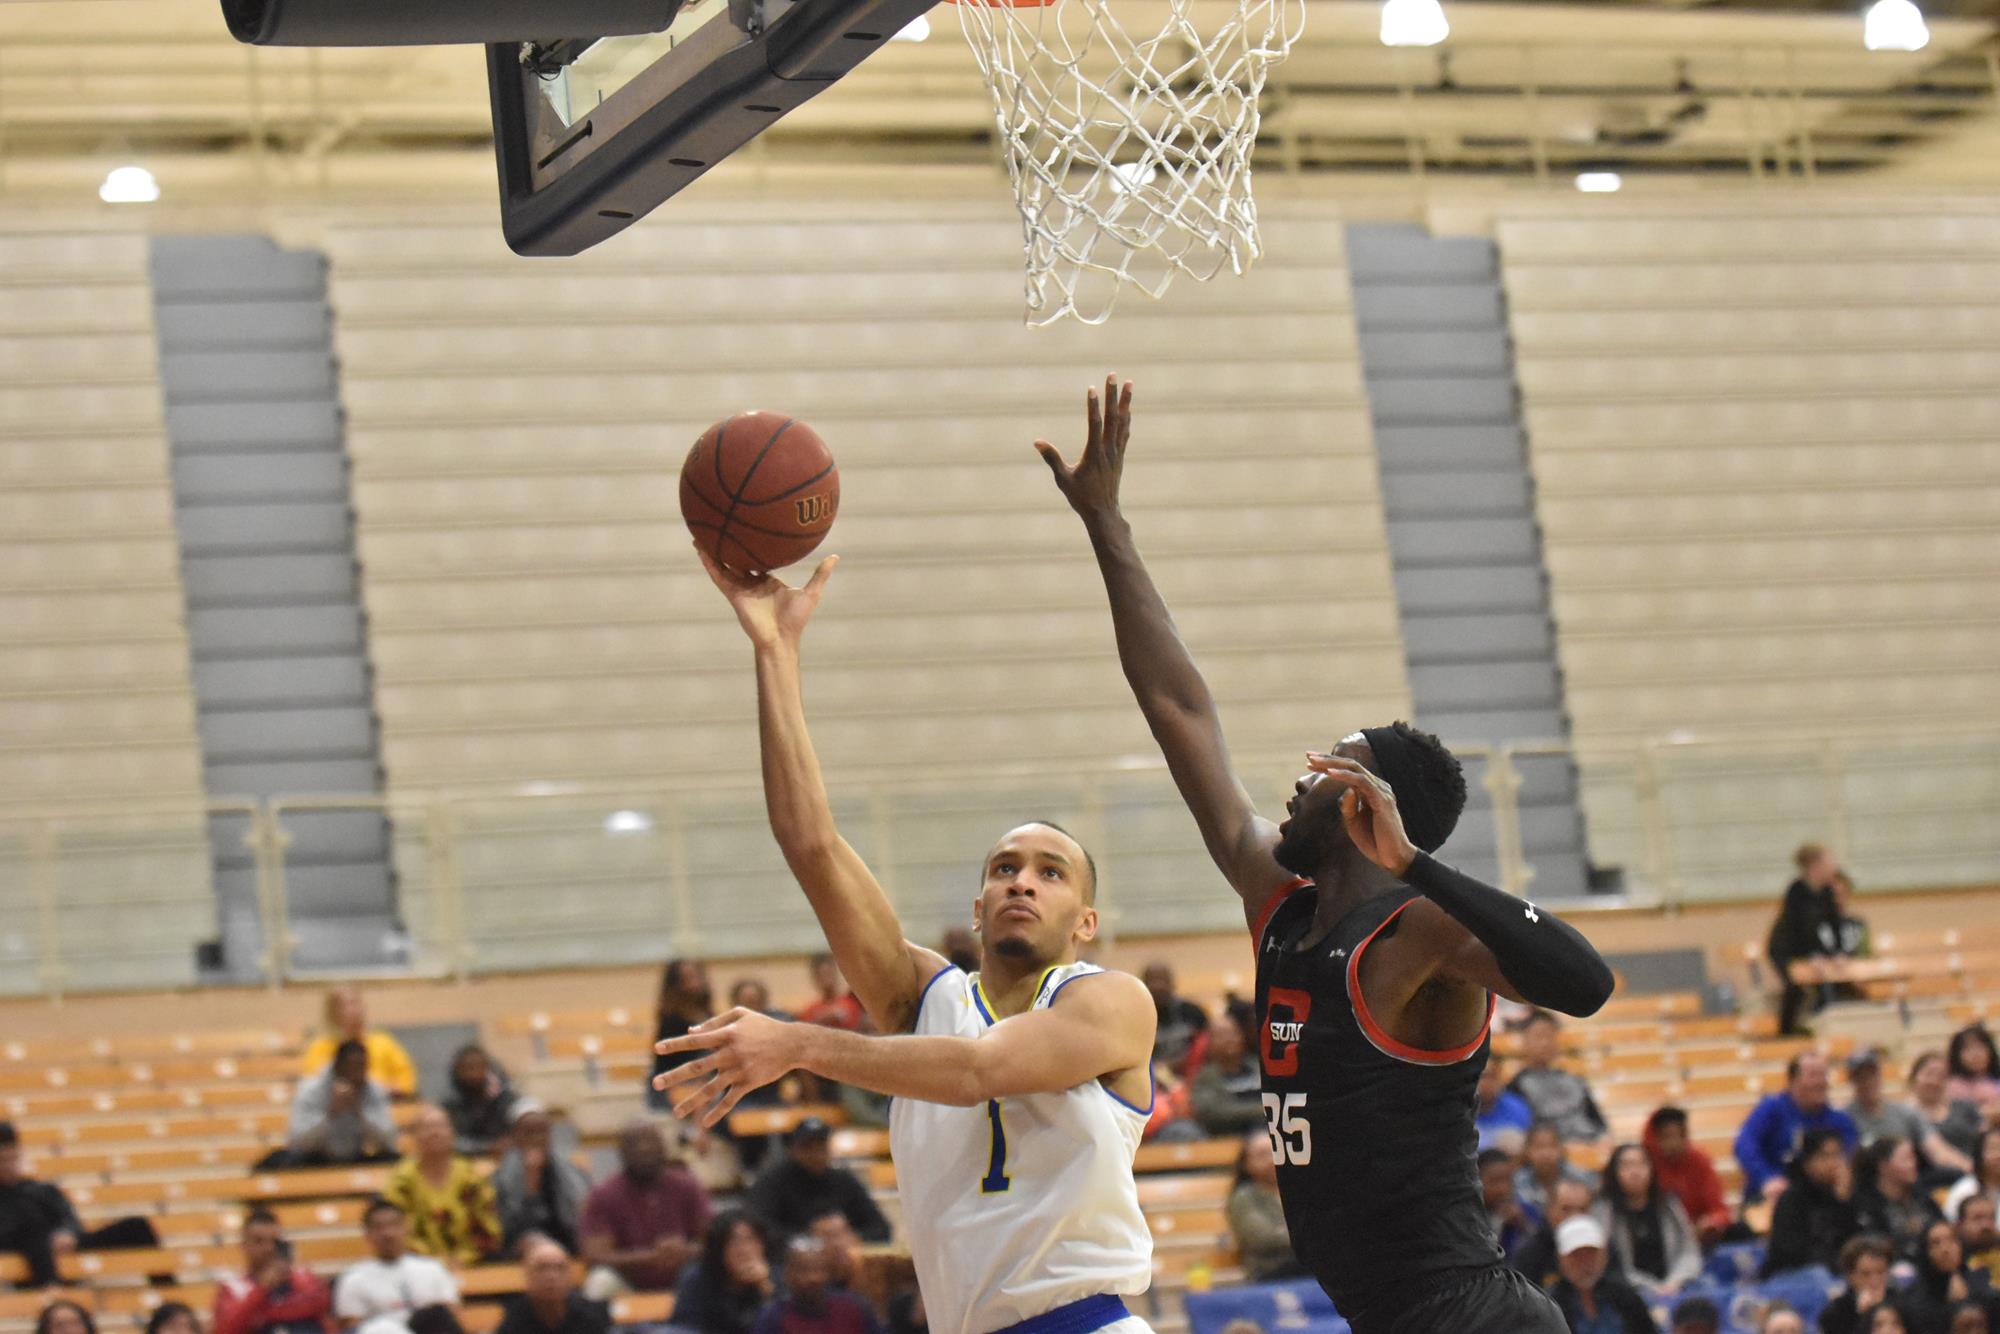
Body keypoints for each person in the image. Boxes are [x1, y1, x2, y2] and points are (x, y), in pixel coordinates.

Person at [1040, 376, 1615, 1334]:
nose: (1300, 778)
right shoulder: (1280, 900)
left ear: (1362, 803)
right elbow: (1179, 709)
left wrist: (1418, 864)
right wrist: (1105, 522)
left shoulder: (1420, 930)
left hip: (1472, 1315)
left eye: (1328, 766)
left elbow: (1588, 985)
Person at [652, 531, 1162, 1334]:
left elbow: (979, 1070)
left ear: (1086, 923)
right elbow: (811, 845)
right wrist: (775, 652)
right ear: (977, 908)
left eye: (1051, 872)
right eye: (1004, 867)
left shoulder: (1111, 1002)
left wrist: (798, 1044)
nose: (1022, 881)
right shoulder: (924, 998)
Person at [0, 1120, 160, 1287]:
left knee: (138, 1226)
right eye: (3, 1160)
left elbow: (70, 1219)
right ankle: (52, 1290)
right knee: (33, 1231)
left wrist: (67, 1235)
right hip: (28, 1258)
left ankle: (167, 1293)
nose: (9, 1166)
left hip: (66, 1245)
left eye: (13, 1158)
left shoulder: (41, 1190)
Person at [577, 1121, 712, 1296]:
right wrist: (653, 1256)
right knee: (601, 1281)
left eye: (651, 1141)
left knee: (711, 1272)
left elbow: (714, 1242)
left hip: (685, 1278)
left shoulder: (687, 1186)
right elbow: (595, 1256)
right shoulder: (603, 1194)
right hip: (628, 1283)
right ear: (621, 1152)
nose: (644, 1148)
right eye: (635, 1143)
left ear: (663, 1148)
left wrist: (682, 1251)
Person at [1735, 1052, 1860, 1202]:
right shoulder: (1771, 1109)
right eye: (1813, 1075)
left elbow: (1850, 1156)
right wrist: (1767, 1178)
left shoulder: (1840, 1121)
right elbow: (1745, 1144)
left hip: (1823, 1199)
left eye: (1823, 1075)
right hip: (1774, 1196)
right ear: (1792, 1081)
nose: (1820, 1082)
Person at [384, 1105, 501, 1265]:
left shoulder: (471, 1177)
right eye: (426, 1128)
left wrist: (464, 1258)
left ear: (452, 1133)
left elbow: (488, 1228)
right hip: (416, 1265)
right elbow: (396, 1230)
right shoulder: (401, 1180)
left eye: (440, 1126)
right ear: (415, 1136)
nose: (434, 1133)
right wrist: (434, 1263)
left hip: (471, 1264)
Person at [744, 1119, 889, 1246]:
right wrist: (808, 1237)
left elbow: (881, 1228)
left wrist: (851, 1237)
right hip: (791, 1261)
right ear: (793, 1149)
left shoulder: (843, 1180)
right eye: (808, 1147)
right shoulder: (772, 1182)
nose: (817, 1154)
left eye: (821, 1146)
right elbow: (759, 1230)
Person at [333, 1199, 460, 1334]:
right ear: (367, 1234)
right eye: (379, 1227)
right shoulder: (353, 1279)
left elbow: (451, 1316)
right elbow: (352, 1327)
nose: (388, 1234)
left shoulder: (432, 1269)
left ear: (407, 1228)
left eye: (394, 1225)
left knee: (437, 1314)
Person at [1592, 1144, 1700, 1296]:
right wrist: (1652, 1288)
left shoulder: (1668, 1205)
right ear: (1614, 1172)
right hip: (1629, 1291)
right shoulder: (1605, 1211)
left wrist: (1675, 1281)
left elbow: (1689, 1250)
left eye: (1641, 1164)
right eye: (1627, 1165)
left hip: (1676, 1286)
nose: (1635, 1172)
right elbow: (1609, 1265)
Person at [213, 1207, 335, 1334]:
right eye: (258, 1241)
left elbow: (320, 1303)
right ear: (243, 1245)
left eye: (274, 1241)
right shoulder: (234, 1288)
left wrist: (261, 1314)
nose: (269, 1248)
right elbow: (226, 1329)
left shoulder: (302, 1278)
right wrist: (261, 1289)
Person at [494, 1100, 593, 1257]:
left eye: (542, 1131)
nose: (537, 1138)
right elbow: (506, 1227)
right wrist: (530, 1181)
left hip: (565, 1238)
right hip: (518, 1242)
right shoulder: (500, 1177)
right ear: (515, 1136)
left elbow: (579, 1217)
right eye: (529, 1132)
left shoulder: (571, 1170)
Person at [1761, 1128, 1862, 1277]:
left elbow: (1857, 1242)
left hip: (1838, 1272)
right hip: (1794, 1276)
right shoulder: (1792, 1200)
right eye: (1825, 1156)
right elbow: (1791, 1252)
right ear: (1807, 1162)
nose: (1833, 1163)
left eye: (1837, 1155)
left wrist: (1843, 1202)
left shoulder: (1848, 1196)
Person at [285, 1040, 399, 1167]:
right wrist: (331, 1113)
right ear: (338, 1067)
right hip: (315, 1159)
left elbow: (389, 1141)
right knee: (286, 1161)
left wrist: (360, 1114)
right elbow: (297, 1142)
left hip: (357, 1157)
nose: (358, 1075)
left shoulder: (373, 1090)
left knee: (396, 1160)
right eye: (353, 1068)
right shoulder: (310, 1091)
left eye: (362, 1068)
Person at [1767, 844, 1838, 1035]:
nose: (1833, 866)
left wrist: (1837, 953)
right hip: (1785, 948)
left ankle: (1819, 1027)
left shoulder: (1827, 891)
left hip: (1811, 950)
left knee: (1826, 984)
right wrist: (1811, 956)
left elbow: (1833, 926)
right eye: (1828, 862)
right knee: (1795, 986)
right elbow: (1796, 929)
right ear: (1815, 866)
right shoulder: (1796, 891)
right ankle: (1786, 1031)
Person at [1511, 1012, 1610, 1144]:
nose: (1545, 1043)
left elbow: (1600, 1124)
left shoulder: (1575, 1080)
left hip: (1588, 1143)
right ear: (1524, 1041)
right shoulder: (1515, 1087)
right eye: (1539, 1036)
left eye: (1550, 1036)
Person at [1547, 1216, 1658, 1334]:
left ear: (1604, 1255)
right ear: (1561, 1259)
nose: (1585, 1263)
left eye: (1591, 1254)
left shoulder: (1626, 1298)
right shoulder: (1549, 1307)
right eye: (1576, 1256)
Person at [301, 987, 417, 1099]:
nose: (354, 1010)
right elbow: (313, 1087)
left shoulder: (383, 1042)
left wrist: (378, 1090)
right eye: (345, 1005)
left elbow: (407, 1082)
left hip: (385, 1104)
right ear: (332, 1013)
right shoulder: (320, 1048)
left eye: (356, 1003)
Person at [673, 1211, 777, 1334]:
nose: (745, 1250)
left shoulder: (776, 1276)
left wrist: (765, 1289)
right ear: (718, 1248)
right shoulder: (696, 1278)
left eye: (752, 1240)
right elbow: (684, 1328)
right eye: (735, 1242)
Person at [749, 1238, 881, 1334]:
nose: (814, 1278)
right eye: (804, 1270)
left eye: (819, 1269)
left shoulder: (853, 1308)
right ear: (788, 1275)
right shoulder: (773, 1317)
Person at [1642, 1108, 1731, 1247]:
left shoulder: (1699, 1161)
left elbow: (1719, 1209)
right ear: (1656, 1138)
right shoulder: (1646, 1164)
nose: (1674, 1143)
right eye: (1667, 1137)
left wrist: (1711, 1222)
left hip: (1698, 1238)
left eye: (1679, 1136)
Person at [495, 1235, 610, 1334]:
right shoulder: (514, 1320)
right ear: (528, 1276)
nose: (551, 1276)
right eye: (542, 1268)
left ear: (570, 1277)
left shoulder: (592, 1316)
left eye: (559, 1268)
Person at [1853, 1137, 1943, 1260]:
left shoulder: (1922, 1196)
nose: (1913, 1164)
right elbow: (1874, 1246)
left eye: (1913, 1158)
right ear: (1884, 1166)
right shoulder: (1867, 1206)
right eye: (1906, 1159)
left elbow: (1942, 1226)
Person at [1228, 1130, 1300, 1282]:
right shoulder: (1244, 1197)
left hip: (1307, 1266)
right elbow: (1262, 1238)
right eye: (1262, 1155)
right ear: (1246, 1164)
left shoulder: (1299, 1189)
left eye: (1275, 1152)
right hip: (1269, 1272)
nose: (1270, 1160)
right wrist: (1307, 1235)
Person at [1908, 1218, 2000, 1334]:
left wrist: (1968, 1299)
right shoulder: (1915, 1300)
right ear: (1926, 1251)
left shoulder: (1981, 1280)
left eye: (1951, 1240)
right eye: (1936, 1243)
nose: (1945, 1249)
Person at [649, 961, 715, 1110]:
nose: (695, 983)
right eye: (687, 978)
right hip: (675, 1086)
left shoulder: (709, 1014)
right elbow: (667, 1067)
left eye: (697, 976)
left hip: (705, 1081)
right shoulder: (671, 1020)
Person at [1511, 1178, 1597, 1291]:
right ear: (1550, 1210)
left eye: (1582, 1210)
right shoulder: (1529, 1253)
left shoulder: (1601, 1247)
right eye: (1566, 1209)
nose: (1574, 1216)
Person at [1913, 1053, 1984, 1184]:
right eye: (1929, 1074)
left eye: (1942, 1077)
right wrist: (1973, 1170)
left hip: (1979, 1174)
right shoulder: (1907, 1116)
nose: (1934, 1081)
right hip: (1935, 1180)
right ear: (1914, 1076)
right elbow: (1937, 1153)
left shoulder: (1964, 1106)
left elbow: (1985, 1136)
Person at [1189, 1013, 1264, 1137]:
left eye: (1233, 1033)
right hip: (1231, 1135)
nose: (1229, 1039)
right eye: (1221, 1035)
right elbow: (1214, 1112)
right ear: (1209, 1043)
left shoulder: (1259, 1067)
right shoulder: (1204, 1078)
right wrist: (1261, 1110)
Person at [1847, 1052, 1934, 1152]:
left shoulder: (1906, 1113)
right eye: (1861, 1077)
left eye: (1872, 1074)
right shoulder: (1846, 1119)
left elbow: (1935, 1147)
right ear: (1852, 1081)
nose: (1868, 1081)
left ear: (1880, 1075)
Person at [440, 1045, 517, 1155]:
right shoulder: (449, 1103)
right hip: (463, 1159)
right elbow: (449, 1141)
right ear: (457, 1071)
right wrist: (487, 1147)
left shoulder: (505, 1097)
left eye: (479, 1067)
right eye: (467, 1068)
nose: (474, 1074)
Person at [1141, 963, 1211, 1078]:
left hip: (1192, 1077)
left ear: (1173, 983)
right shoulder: (1136, 1018)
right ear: (1143, 985)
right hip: (1150, 1080)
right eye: (1152, 980)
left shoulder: (1193, 1012)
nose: (1158, 986)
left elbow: (1208, 1046)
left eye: (1163, 980)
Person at [1818, 1235, 1897, 1334]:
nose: (1875, 1281)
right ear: (1850, 1276)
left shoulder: (1902, 1305)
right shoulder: (1835, 1313)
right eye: (1865, 1274)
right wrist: (1863, 1317)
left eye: (1881, 1272)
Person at [1519, 1121, 1597, 1218]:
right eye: (1539, 1147)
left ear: (1561, 1149)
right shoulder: (1519, 1180)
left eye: (1552, 1146)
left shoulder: (1580, 1177)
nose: (1546, 1153)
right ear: (1527, 1151)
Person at [1483, 1149, 1543, 1265]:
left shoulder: (1526, 1211)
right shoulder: (1468, 1217)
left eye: (1507, 1180)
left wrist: (1523, 1224)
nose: (1503, 1189)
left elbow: (1542, 1250)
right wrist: (1498, 1225)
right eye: (1495, 1181)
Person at [1946, 1131, 2000, 1236]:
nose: (1999, 1155)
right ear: (1980, 1154)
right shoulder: (1964, 1189)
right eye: (1993, 1149)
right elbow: (1952, 1229)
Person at [1478, 1058, 1536, 1156]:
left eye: (1492, 1077)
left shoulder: (1516, 1107)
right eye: (1481, 1077)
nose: (1486, 1083)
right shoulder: (1457, 1107)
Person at [798, 955, 866, 1033]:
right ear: (816, 978)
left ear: (834, 973)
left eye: (828, 973)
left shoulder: (850, 1004)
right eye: (821, 975)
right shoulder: (810, 1010)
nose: (826, 979)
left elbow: (848, 1017)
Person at [804, 1213, 862, 1294]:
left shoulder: (870, 1277)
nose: (838, 1244)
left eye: (843, 1234)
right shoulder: (809, 1289)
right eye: (828, 1236)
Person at [1948, 1029, 2000, 1118]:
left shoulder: (1996, 1078)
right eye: (1968, 1049)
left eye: (1980, 1047)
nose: (1976, 1054)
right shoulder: (1955, 1086)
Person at [1962, 1196, 2000, 1285]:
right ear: (1961, 1224)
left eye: (1991, 1218)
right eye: (1978, 1218)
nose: (1986, 1225)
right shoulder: (1955, 1262)